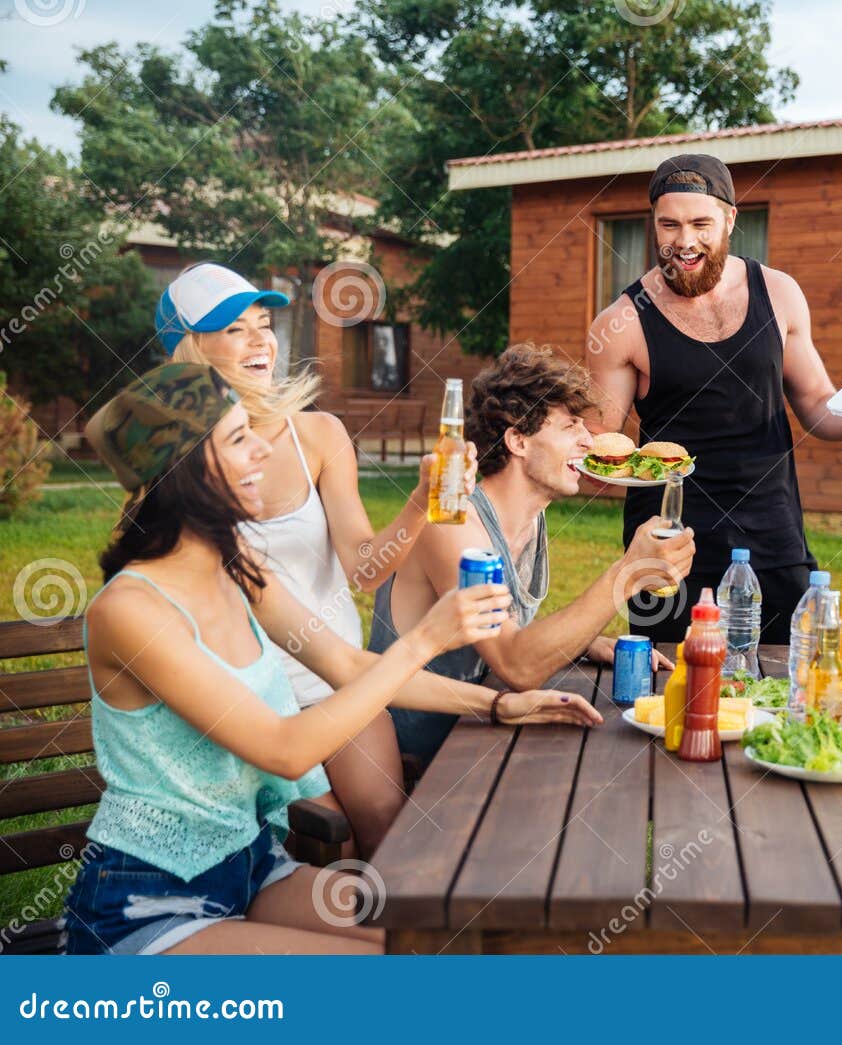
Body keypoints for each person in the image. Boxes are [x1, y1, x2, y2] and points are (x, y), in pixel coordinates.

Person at [67, 364, 594, 954]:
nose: (263, 453)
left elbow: (345, 665)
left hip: (253, 870)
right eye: (239, 439)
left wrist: (498, 704)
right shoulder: (131, 610)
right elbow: (284, 750)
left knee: (449, 938)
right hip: (148, 903)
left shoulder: (236, 566)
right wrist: (424, 641)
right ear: (185, 468)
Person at [157, 261, 474, 855]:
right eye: (234, 329)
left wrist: (420, 503)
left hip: (338, 681)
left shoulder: (320, 436)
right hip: (246, 703)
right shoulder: (178, 467)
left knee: (390, 830)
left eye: (263, 323)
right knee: (334, 840)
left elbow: (365, 568)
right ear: (190, 351)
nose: (261, 340)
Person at [586, 154, 842, 645]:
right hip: (672, 543)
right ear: (653, 224)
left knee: (789, 677)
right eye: (669, 225)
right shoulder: (623, 323)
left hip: (774, 531)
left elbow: (818, 404)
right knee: (674, 689)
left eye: (701, 223)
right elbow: (602, 444)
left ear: (731, 219)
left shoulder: (778, 293)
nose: (685, 241)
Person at [371, 343, 691, 767]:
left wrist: (587, 642)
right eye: (571, 426)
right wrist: (627, 575)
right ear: (518, 441)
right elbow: (515, 663)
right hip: (413, 759)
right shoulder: (452, 523)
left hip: (479, 737)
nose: (588, 440)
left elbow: (507, 631)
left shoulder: (532, 520)